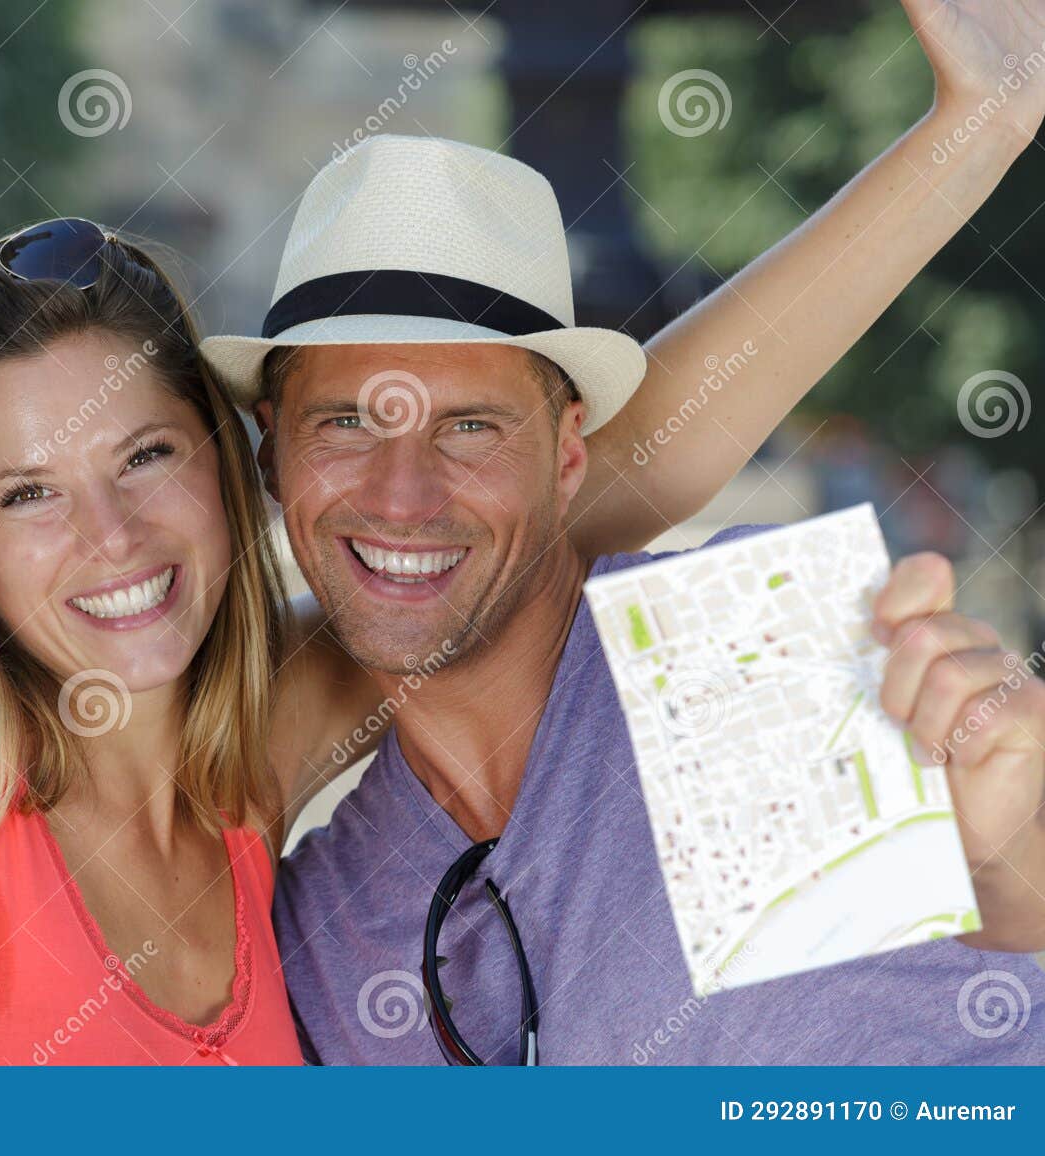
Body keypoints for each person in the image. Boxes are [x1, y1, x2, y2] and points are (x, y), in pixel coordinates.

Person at [197, 0, 1045, 1064]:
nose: (401, 494)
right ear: (272, 452)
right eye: (347, 422)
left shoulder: (746, 656)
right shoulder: (322, 936)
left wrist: (1010, 860)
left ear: (565, 453)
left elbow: (983, 997)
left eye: (469, 427)